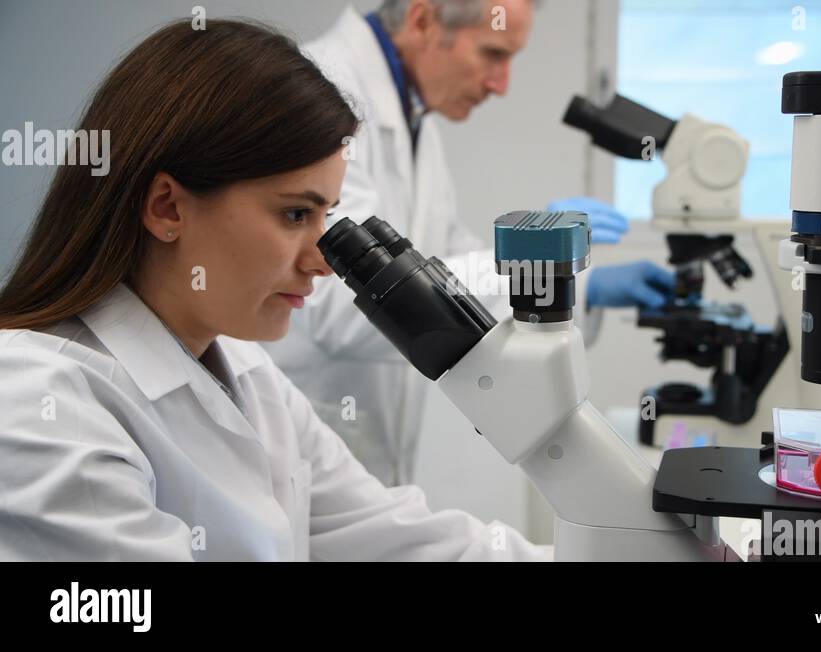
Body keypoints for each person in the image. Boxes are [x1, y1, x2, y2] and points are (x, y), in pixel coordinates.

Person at [0, 19, 547, 561]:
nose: (324, 263)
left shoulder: (248, 374)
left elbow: (397, 537)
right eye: (294, 214)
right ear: (167, 207)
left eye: (328, 217)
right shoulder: (41, 403)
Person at [264, 0, 676, 485]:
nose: (502, 85)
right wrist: (532, 267)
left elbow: (444, 248)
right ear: (422, 20)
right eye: (493, 53)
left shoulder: (416, 115)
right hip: (306, 437)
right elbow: (340, 296)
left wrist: (571, 281)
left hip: (365, 449)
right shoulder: (323, 93)